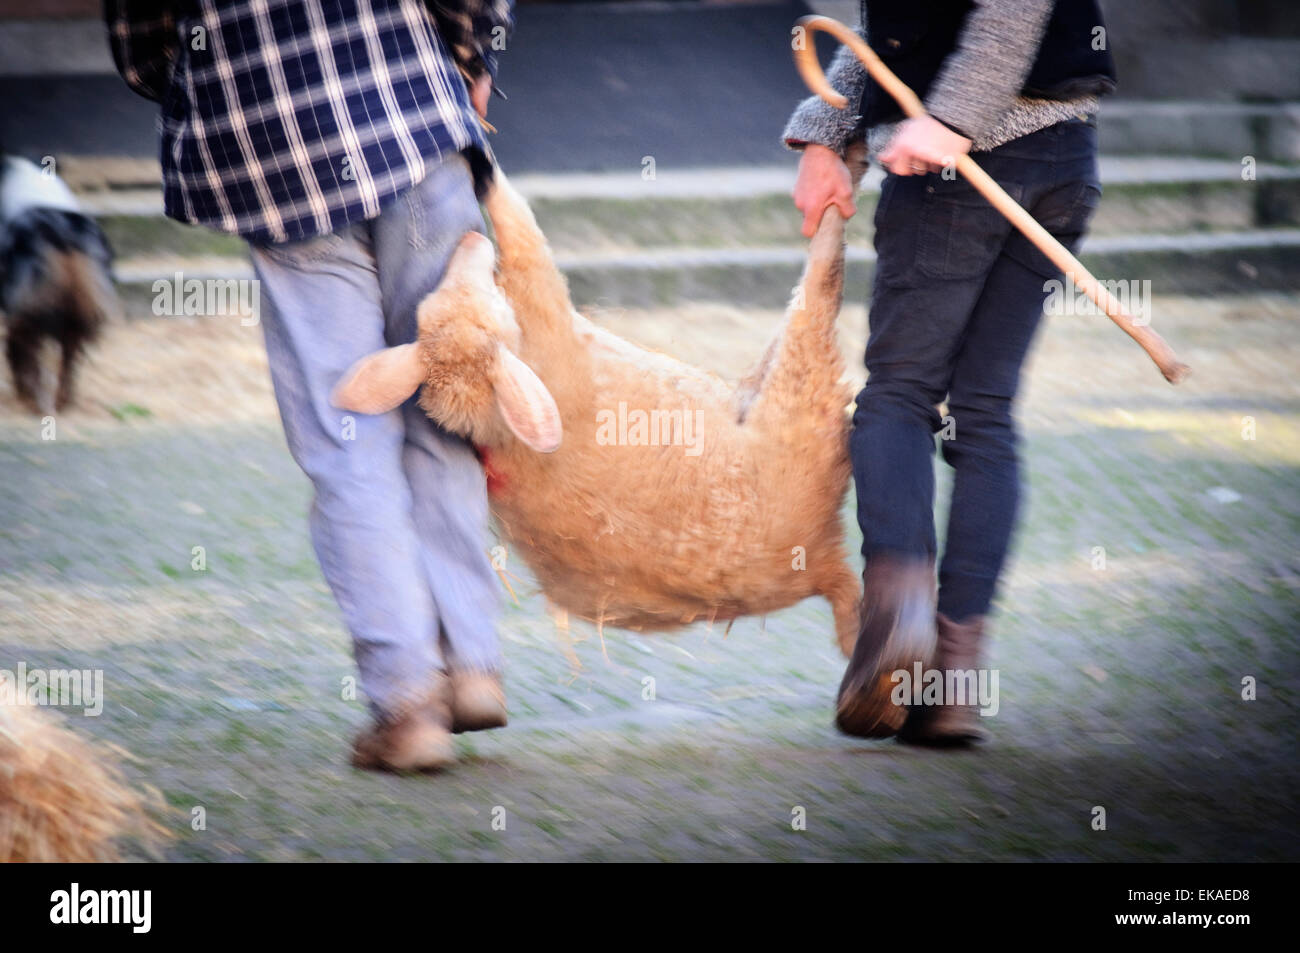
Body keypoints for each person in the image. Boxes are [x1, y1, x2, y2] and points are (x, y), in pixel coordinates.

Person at [106, 0, 514, 772]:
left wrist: (223, 77)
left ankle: (407, 701)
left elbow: (139, 36)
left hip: (275, 151)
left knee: (349, 434)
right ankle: (471, 663)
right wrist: (473, 58)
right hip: (411, 114)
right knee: (445, 402)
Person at [784, 0, 1115, 744]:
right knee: (984, 411)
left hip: (961, 169)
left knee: (898, 397)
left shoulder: (957, 124)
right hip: (1061, 161)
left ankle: (900, 623)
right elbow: (887, 28)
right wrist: (822, 134)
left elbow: (1010, 10)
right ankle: (952, 686)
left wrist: (953, 120)